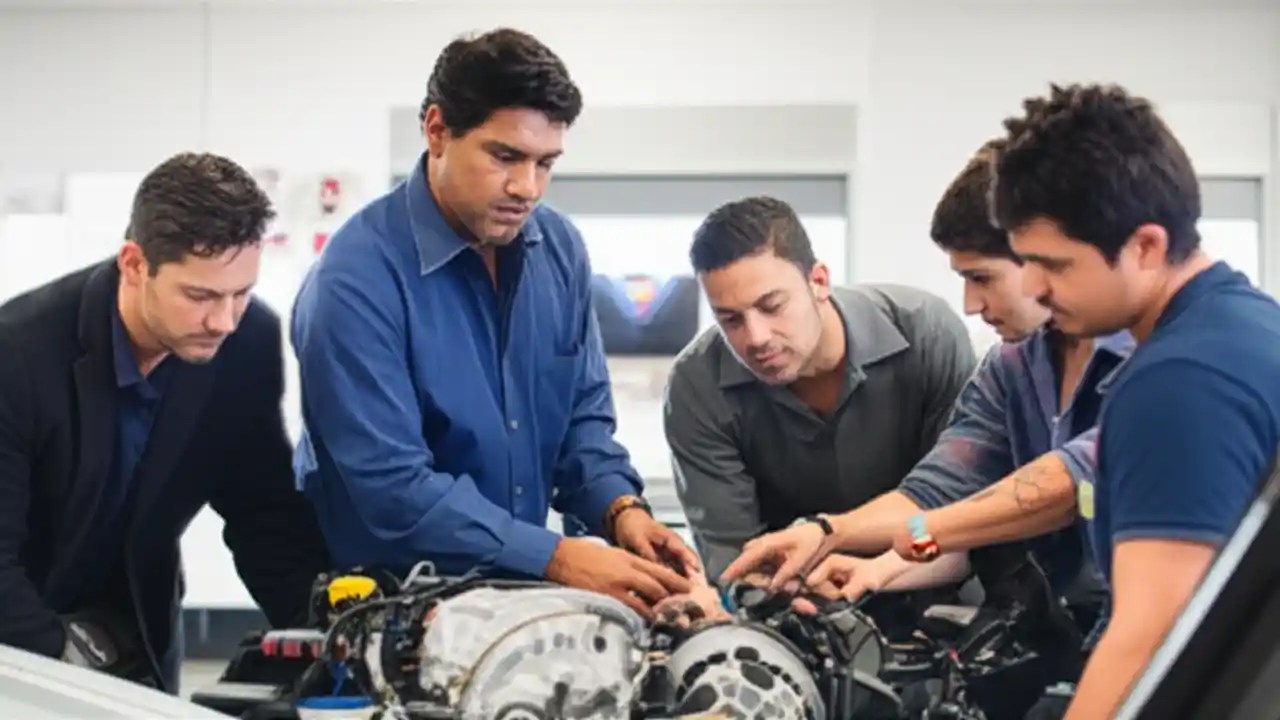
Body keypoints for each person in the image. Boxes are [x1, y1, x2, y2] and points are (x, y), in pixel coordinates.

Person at [746, 83, 1280, 719]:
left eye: (1052, 264)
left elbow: (1149, 637)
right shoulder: (1241, 328)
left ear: (1145, 246)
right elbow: (939, 494)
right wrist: (850, 545)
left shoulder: (1178, 378)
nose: (1033, 286)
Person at [291, 28, 695, 619]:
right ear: (436, 130)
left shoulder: (559, 249)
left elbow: (582, 420)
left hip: (523, 606)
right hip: (389, 611)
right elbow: (393, 488)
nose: (526, 188)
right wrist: (558, 557)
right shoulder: (354, 281)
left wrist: (621, 510)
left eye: (545, 163)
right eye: (504, 157)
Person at [719, 142, 1132, 649]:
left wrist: (853, 535)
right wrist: (865, 558)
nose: (971, 304)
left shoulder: (1156, 357)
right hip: (1074, 637)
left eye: (982, 278)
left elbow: (1067, 483)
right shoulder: (1011, 368)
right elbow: (934, 493)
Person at [0, 152, 333, 693]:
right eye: (200, 296)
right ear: (134, 264)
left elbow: (266, 518)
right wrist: (61, 664)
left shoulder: (245, 345)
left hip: (136, 632)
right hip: (19, 639)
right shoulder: (18, 354)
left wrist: (329, 634)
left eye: (240, 293)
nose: (223, 321)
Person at [663, 195, 978, 584]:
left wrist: (872, 572)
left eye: (772, 306)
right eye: (730, 320)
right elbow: (737, 562)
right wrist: (794, 603)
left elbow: (956, 518)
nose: (757, 338)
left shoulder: (927, 334)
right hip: (792, 609)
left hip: (939, 595)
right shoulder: (696, 386)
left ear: (819, 282)